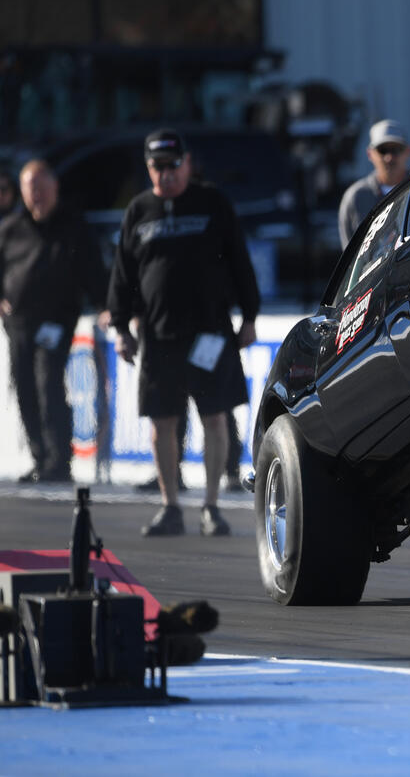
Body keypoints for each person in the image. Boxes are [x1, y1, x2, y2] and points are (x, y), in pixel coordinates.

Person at [107, 129, 260, 537]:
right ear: (148, 168)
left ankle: (211, 505)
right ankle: (170, 505)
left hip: (210, 332)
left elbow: (240, 260)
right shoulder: (139, 210)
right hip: (158, 335)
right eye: (158, 167)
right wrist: (121, 327)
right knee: (162, 422)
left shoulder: (213, 203)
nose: (167, 174)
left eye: (173, 166)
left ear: (188, 163)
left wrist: (249, 316)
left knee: (215, 417)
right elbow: (123, 274)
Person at [0, 160, 110, 483]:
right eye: (30, 188)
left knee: (48, 381)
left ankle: (59, 460)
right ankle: (40, 457)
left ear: (54, 188)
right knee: (24, 386)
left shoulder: (73, 226)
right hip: (19, 322)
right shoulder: (11, 228)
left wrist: (105, 305)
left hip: (57, 319)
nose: (36, 194)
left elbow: (94, 272)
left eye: (41, 187)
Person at [338, 119, 410, 248]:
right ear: (370, 154)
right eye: (382, 150)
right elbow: (350, 252)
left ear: (408, 151)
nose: (389, 157)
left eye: (395, 150)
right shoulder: (357, 197)